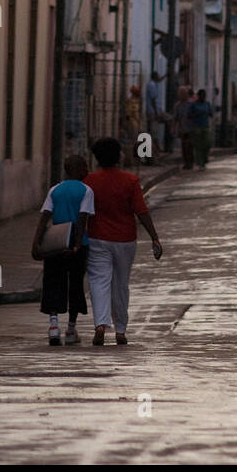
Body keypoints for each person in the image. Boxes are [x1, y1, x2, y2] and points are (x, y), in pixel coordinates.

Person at [84, 137, 163, 346]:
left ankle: (100, 324)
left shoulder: (89, 181)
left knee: (99, 282)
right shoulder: (130, 180)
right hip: (125, 239)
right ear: (118, 155)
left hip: (97, 238)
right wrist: (154, 237)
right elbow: (141, 211)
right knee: (121, 284)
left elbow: (83, 213)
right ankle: (120, 330)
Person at [32, 155, 94, 346]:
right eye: (84, 167)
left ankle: (53, 326)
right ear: (76, 169)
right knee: (75, 284)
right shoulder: (86, 190)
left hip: (56, 243)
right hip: (78, 244)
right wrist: (76, 244)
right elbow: (83, 218)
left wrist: (36, 243)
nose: (87, 170)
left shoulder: (55, 190)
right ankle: (71, 329)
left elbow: (45, 217)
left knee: (53, 282)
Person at [187, 88, 213, 169]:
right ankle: (200, 163)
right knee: (198, 146)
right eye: (202, 95)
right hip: (196, 127)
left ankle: (205, 159)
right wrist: (197, 114)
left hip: (205, 126)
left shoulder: (207, 104)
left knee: (207, 144)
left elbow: (210, 113)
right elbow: (189, 115)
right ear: (198, 96)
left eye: (204, 96)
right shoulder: (193, 105)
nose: (203, 97)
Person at [171, 86, 193, 170]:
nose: (181, 96)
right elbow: (175, 118)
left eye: (183, 94)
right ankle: (186, 163)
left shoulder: (191, 104)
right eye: (180, 94)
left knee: (190, 146)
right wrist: (173, 127)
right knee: (184, 146)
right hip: (183, 129)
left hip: (191, 129)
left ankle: (190, 162)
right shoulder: (177, 105)